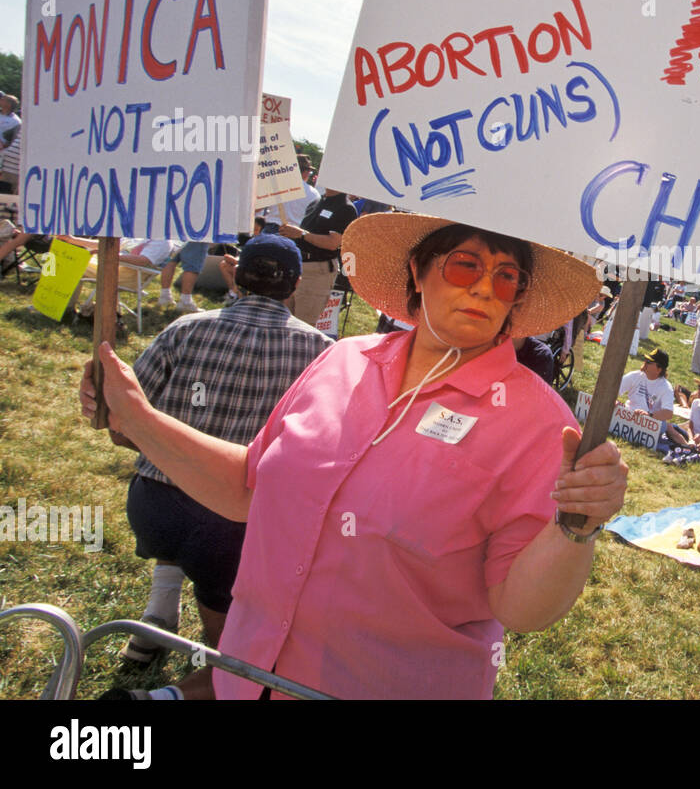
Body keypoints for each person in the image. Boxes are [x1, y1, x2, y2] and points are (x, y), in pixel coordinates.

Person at [81, 213, 627, 699]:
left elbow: (522, 610)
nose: (486, 288)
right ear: (418, 270)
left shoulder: (540, 423)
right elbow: (249, 487)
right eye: (466, 265)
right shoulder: (342, 359)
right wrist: (136, 416)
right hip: (246, 675)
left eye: (507, 277)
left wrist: (576, 528)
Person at [107, 236, 332, 696]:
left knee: (180, 519)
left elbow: (121, 426)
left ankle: (156, 615)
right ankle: (208, 685)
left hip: (152, 506)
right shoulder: (323, 355)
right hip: (232, 525)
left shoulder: (183, 328)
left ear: (237, 274)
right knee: (236, 659)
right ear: (295, 284)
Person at [280, 187, 357, 326]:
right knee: (285, 320)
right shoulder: (317, 201)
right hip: (299, 266)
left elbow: (333, 243)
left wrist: (301, 234)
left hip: (316, 271)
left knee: (302, 325)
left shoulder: (345, 208)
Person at [619, 349, 675, 431]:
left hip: (648, 423)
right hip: (628, 415)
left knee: (663, 427)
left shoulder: (666, 387)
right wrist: (614, 401)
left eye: (649, 362)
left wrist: (649, 415)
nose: (645, 363)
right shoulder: (635, 376)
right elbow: (613, 390)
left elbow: (668, 413)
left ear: (659, 370)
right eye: (645, 360)